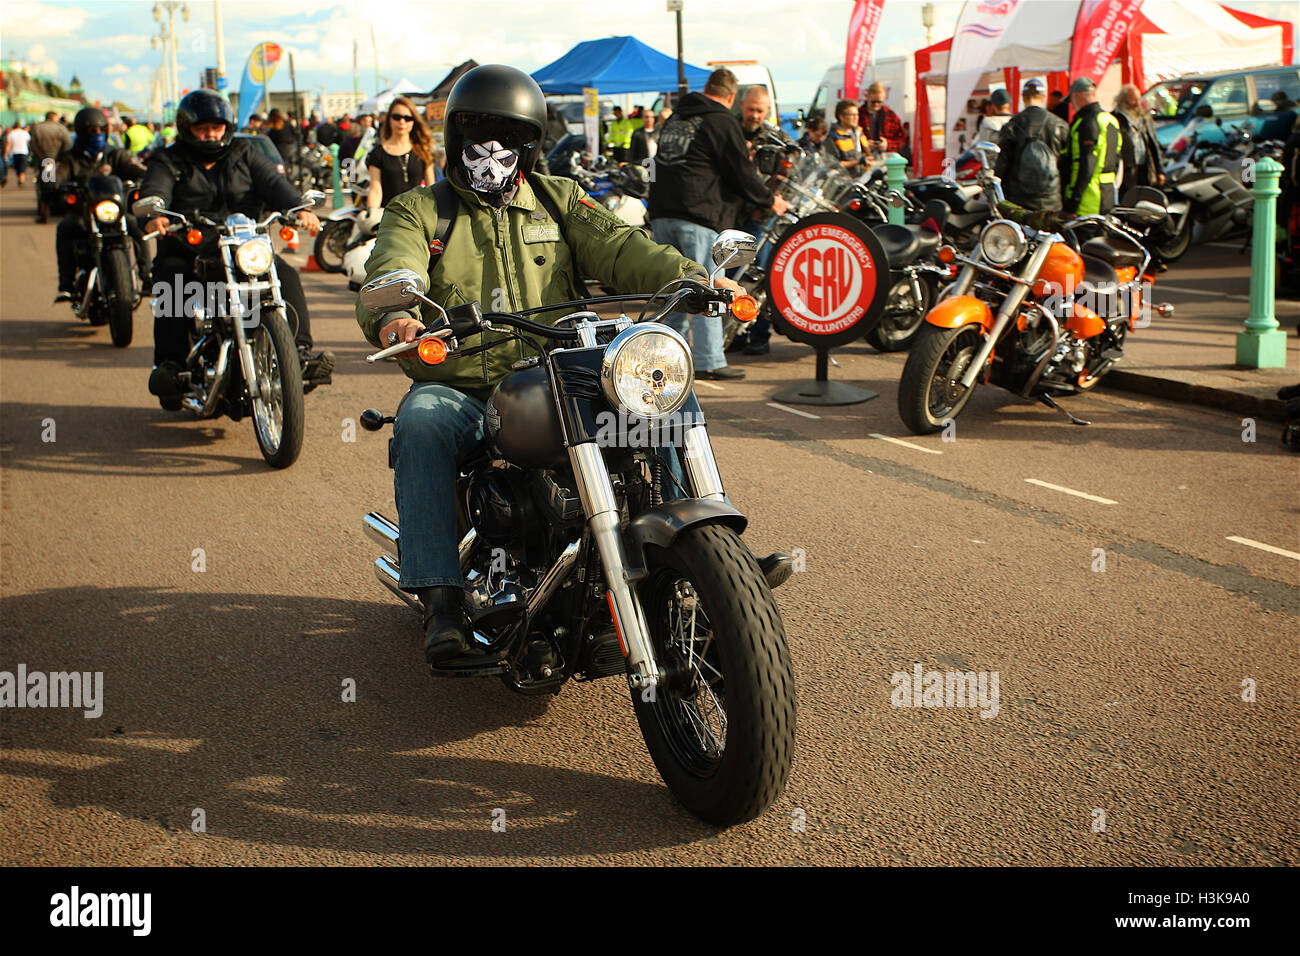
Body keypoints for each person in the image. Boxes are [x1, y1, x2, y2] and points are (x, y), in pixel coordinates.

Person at [353, 64, 754, 662]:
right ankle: (441, 601)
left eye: (507, 136)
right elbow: (394, 266)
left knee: (659, 388)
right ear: (455, 140)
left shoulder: (557, 198)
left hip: (562, 371)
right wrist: (398, 314)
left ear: (531, 143)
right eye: (477, 135)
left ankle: (708, 555)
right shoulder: (420, 210)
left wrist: (695, 279)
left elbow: (622, 248)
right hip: (465, 380)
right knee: (423, 421)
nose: (491, 150)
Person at [138, 89, 334, 409]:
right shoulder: (169, 158)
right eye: (202, 128)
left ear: (227, 127)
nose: (210, 134)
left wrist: (298, 207)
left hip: (243, 243)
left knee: (285, 276)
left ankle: (298, 355)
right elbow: (155, 188)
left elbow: (274, 184)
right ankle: (171, 366)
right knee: (171, 278)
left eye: (216, 127)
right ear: (187, 129)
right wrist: (155, 216)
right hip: (190, 245)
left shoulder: (243, 152)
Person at [647, 67, 789, 380]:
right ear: (731, 97)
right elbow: (741, 171)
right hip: (698, 213)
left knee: (675, 289)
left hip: (661, 211)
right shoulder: (721, 120)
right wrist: (769, 200)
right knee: (710, 287)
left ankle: (670, 360)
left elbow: (655, 165)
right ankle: (710, 361)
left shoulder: (677, 117)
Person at [51, 107, 150, 304]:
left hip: (113, 212)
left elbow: (136, 168)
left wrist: (151, 177)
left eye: (100, 130)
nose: (97, 135)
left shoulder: (115, 154)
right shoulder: (69, 157)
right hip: (83, 212)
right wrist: (52, 183)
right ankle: (66, 285)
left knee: (137, 226)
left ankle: (147, 277)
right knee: (65, 227)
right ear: (81, 132)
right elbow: (53, 175)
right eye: (91, 131)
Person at [995, 78, 1069, 212]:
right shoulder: (1059, 124)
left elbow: (1002, 165)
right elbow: (1066, 165)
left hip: (1019, 199)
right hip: (1051, 199)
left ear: (1023, 97)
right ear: (1043, 97)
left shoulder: (1013, 124)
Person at [1061, 76, 1120, 216]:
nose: (1072, 105)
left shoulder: (1087, 123)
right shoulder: (1110, 120)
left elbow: (1087, 165)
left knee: (1082, 237)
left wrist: (1072, 203)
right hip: (1107, 197)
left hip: (1086, 202)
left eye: (1072, 100)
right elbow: (1117, 160)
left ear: (1078, 95)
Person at [364, 95, 435, 211]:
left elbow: (431, 188)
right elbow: (376, 189)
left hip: (418, 217)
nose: (402, 122)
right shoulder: (378, 153)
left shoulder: (422, 150)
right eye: (397, 117)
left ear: (414, 121)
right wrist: (372, 213)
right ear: (389, 119)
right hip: (389, 217)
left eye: (407, 118)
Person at [1113, 83, 1164, 191]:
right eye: (1132, 101)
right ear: (1123, 101)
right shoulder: (1115, 119)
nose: (1137, 104)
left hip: (1145, 167)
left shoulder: (1144, 118)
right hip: (1126, 170)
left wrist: (1160, 170)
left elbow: (1153, 144)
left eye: (1138, 100)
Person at [31, 110, 72, 221]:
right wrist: (61, 159)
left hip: (44, 162)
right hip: (58, 162)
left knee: (45, 186)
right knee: (61, 185)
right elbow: (68, 145)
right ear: (55, 118)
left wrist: (42, 159)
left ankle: (45, 211)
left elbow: (33, 145)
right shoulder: (61, 129)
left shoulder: (37, 128)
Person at [860, 81, 907, 161]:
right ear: (867, 97)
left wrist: (887, 144)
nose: (876, 104)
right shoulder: (858, 115)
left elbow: (902, 139)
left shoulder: (891, 115)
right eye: (873, 102)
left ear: (884, 99)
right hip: (865, 158)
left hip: (887, 159)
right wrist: (864, 145)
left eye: (879, 102)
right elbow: (850, 140)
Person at [824, 99, 870, 173]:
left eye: (857, 114)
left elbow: (867, 154)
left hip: (863, 178)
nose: (856, 117)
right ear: (841, 117)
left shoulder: (858, 132)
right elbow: (833, 165)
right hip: (845, 181)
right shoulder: (833, 137)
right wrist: (858, 162)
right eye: (852, 115)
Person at [5, 121, 33, 186]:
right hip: (24, 152)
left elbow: (8, 145)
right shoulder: (25, 133)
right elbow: (30, 142)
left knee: (17, 167)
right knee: (22, 166)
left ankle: (20, 179)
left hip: (15, 152)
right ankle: (21, 179)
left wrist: (6, 154)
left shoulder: (11, 133)